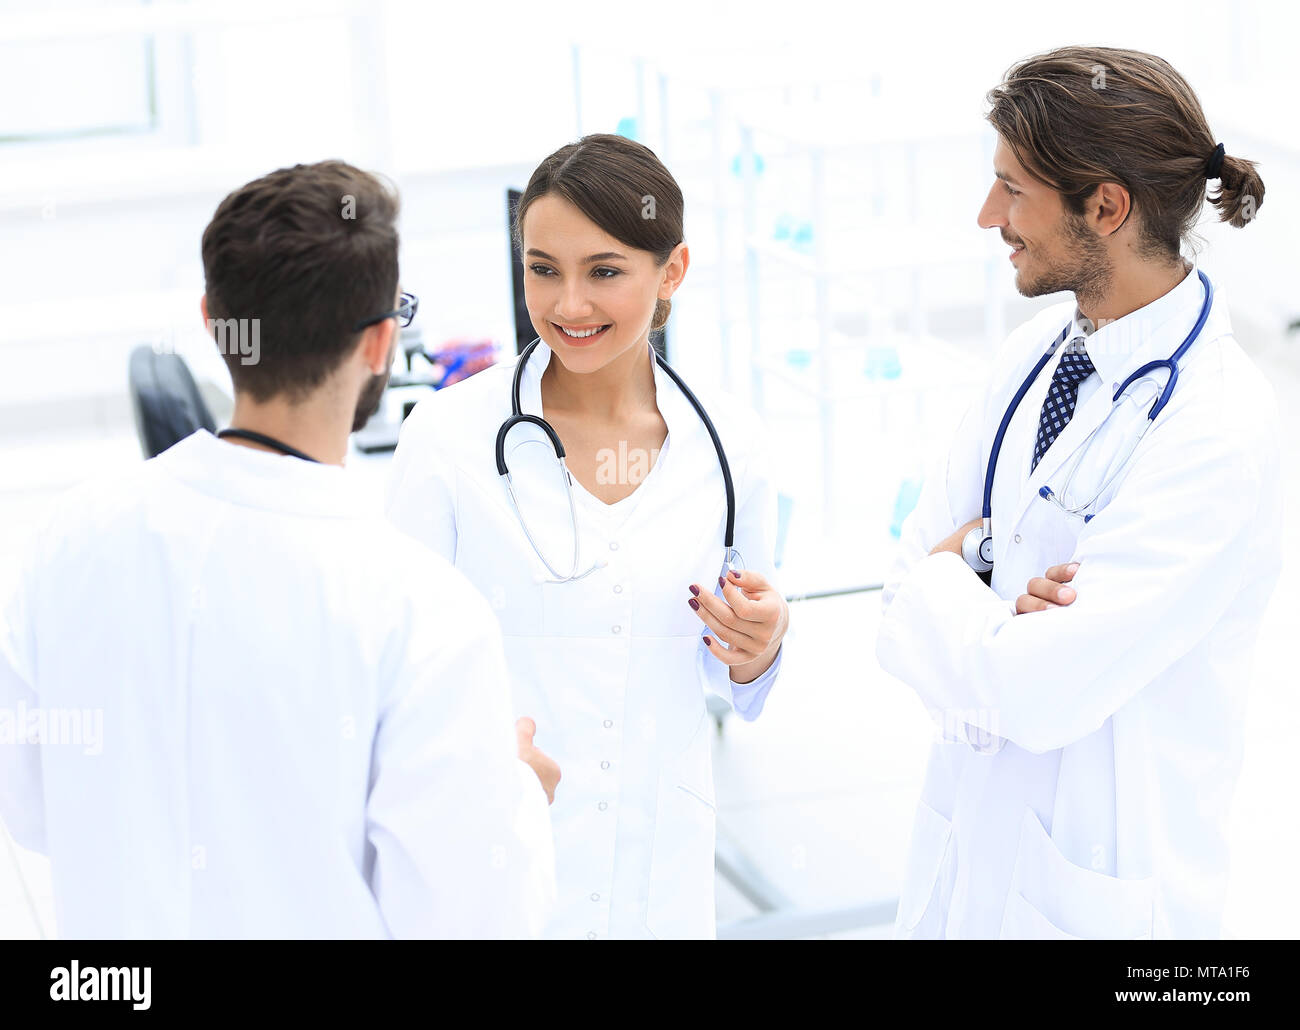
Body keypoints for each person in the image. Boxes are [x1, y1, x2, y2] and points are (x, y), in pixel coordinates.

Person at [0, 160, 557, 939]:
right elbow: (469, 921)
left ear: (212, 318)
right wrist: (516, 798)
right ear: (380, 344)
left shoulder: (70, 537)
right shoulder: (420, 611)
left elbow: (31, 807)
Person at [876, 47, 1283, 939]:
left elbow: (1034, 693)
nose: (990, 217)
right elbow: (894, 586)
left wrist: (950, 582)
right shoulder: (1032, 358)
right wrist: (979, 603)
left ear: (1105, 205)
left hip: (1109, 901)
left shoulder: (1216, 432)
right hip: (967, 854)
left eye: (1013, 190)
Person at [386, 134, 790, 939]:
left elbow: (733, 673)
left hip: (659, 868)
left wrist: (762, 645)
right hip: (494, 860)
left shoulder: (729, 443)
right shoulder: (448, 437)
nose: (568, 305)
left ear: (671, 271)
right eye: (543, 269)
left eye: (603, 272)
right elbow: (393, 667)